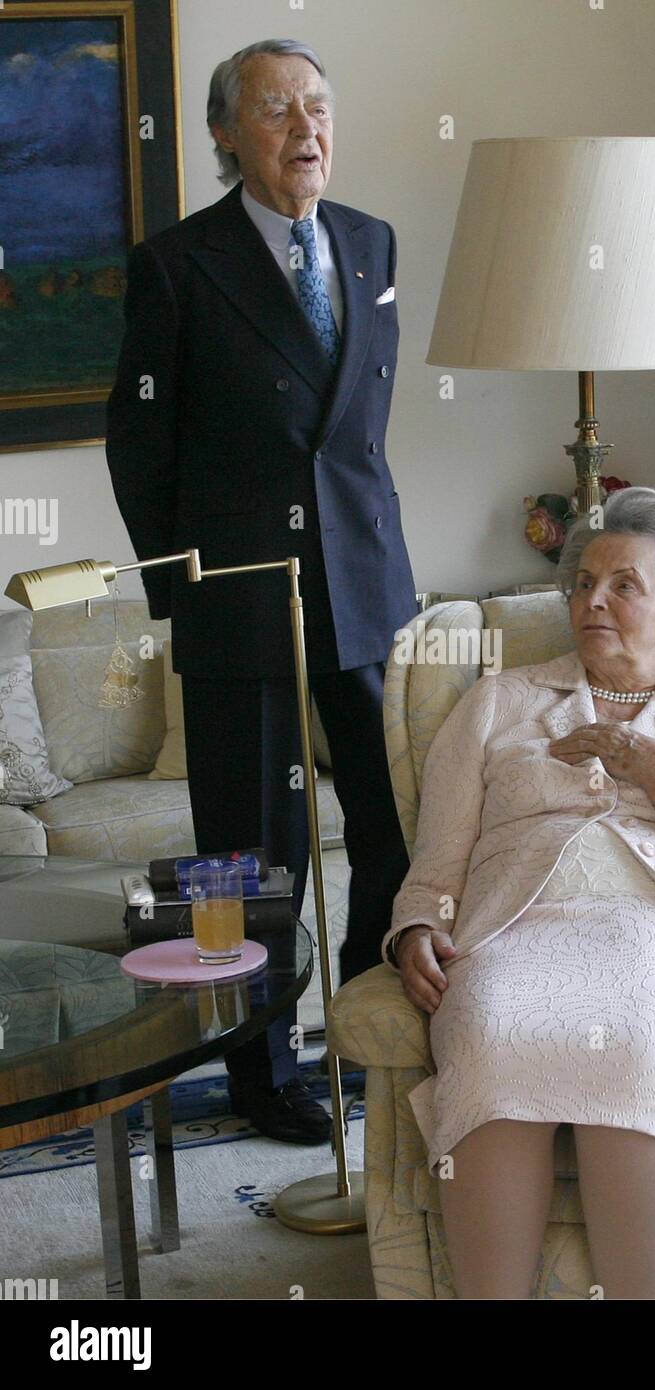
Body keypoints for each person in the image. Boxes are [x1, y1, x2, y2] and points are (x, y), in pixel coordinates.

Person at [382, 486, 655, 1299]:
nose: (593, 600)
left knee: (645, 1044)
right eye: (584, 582)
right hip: (520, 931)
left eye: (624, 584)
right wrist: (414, 930)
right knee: (486, 1037)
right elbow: (436, 869)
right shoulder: (497, 703)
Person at [105, 38, 419, 1143]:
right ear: (227, 136)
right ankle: (257, 1067)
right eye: (279, 110)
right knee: (248, 852)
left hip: (366, 587)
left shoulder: (372, 241)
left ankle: (368, 1024)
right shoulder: (178, 266)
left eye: (318, 106)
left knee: (397, 825)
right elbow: (137, 446)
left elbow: (358, 435)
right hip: (242, 595)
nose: (306, 129)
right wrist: (183, 589)